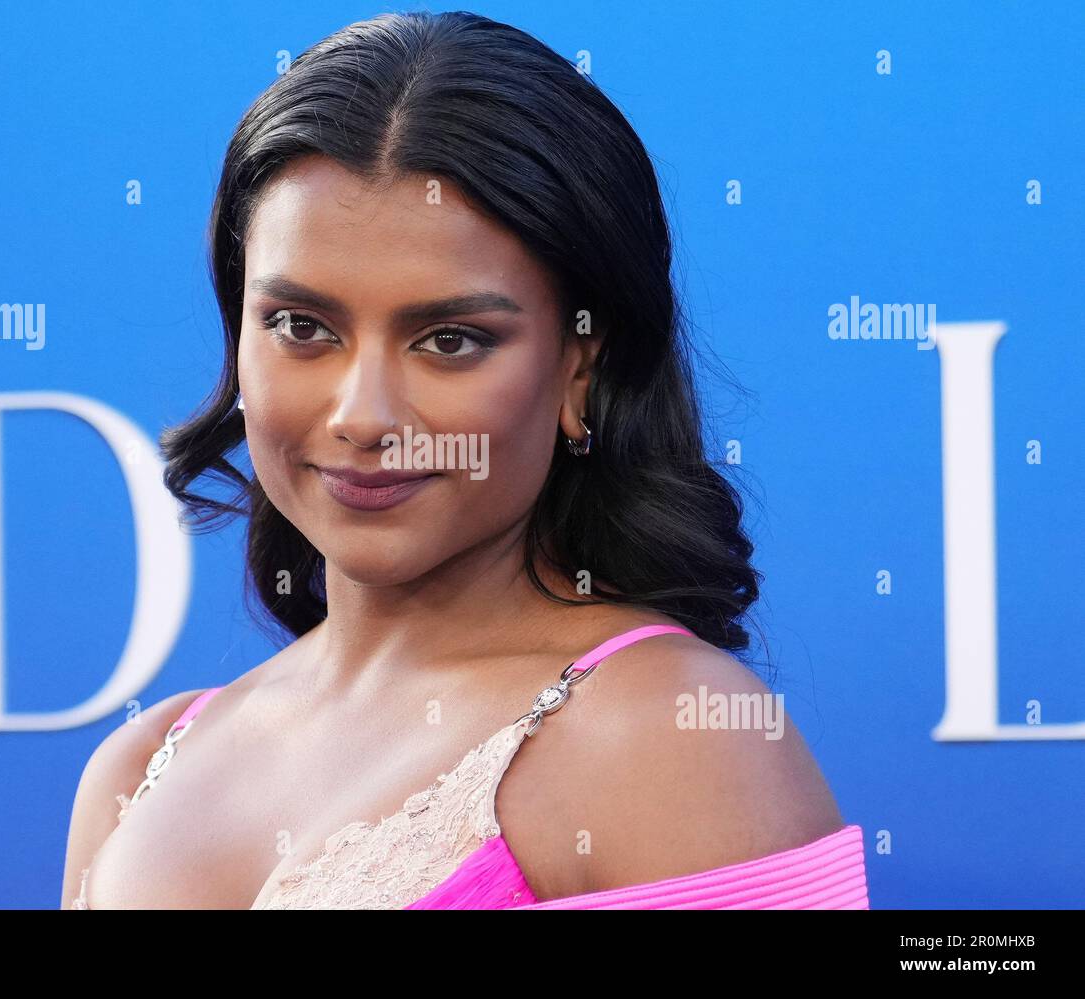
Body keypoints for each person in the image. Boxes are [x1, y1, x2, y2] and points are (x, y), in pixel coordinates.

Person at [62, 10, 868, 909]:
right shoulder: (138, 768)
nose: (362, 414)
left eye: (450, 339)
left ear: (580, 365)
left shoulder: (666, 737)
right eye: (301, 327)